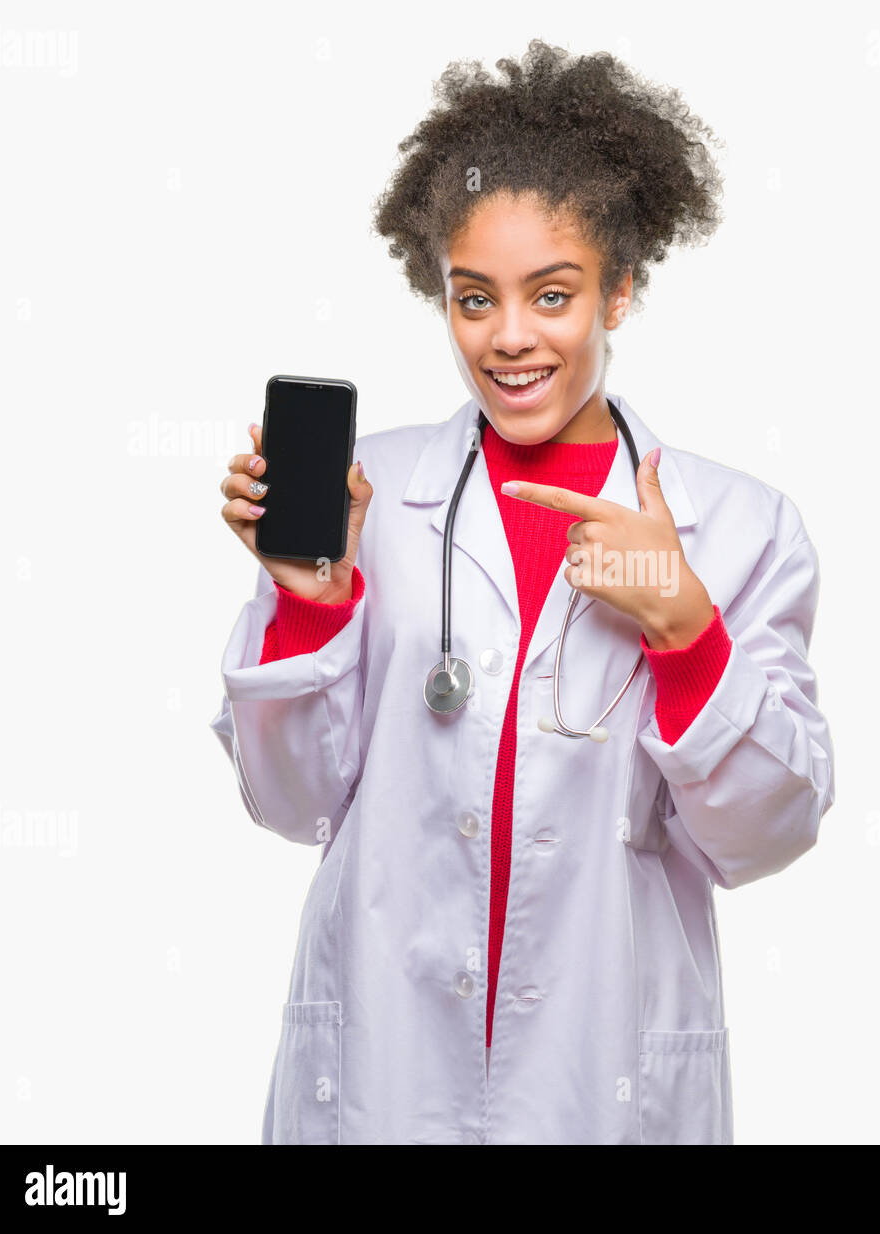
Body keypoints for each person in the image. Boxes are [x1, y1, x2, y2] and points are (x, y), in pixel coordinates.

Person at [210, 38, 834, 1145]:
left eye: (552, 294)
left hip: (606, 1081)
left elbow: (764, 836)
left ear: (622, 288)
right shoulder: (377, 493)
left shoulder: (736, 526)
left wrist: (684, 630)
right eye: (471, 298)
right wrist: (313, 601)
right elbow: (289, 801)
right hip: (382, 1072)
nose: (509, 338)